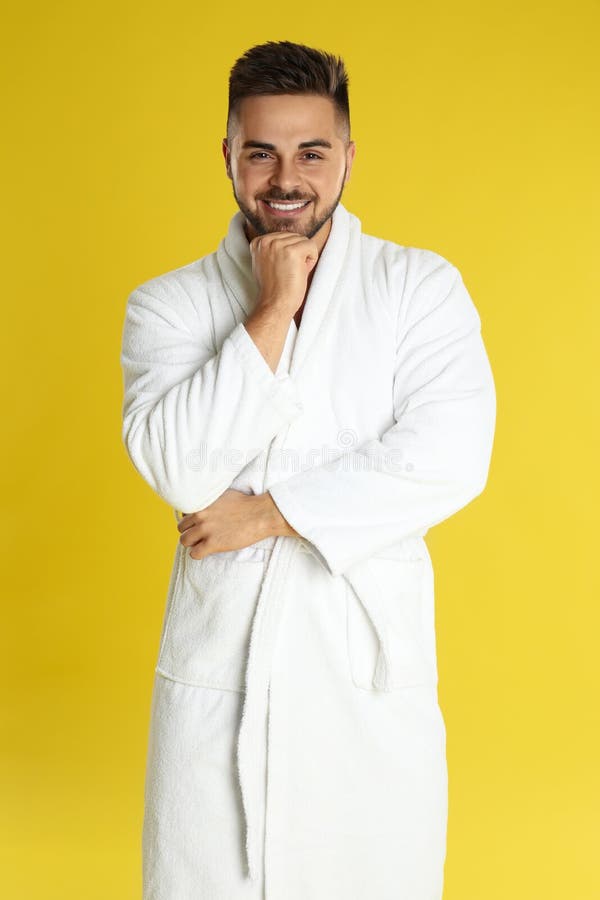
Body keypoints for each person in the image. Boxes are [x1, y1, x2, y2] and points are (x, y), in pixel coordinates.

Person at [120, 39, 496, 900]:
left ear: (348, 158)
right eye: (262, 152)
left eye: (312, 152)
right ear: (229, 158)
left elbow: (449, 458)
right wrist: (272, 309)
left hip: (362, 679)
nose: (286, 178)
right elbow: (180, 470)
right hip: (224, 678)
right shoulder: (169, 304)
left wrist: (268, 513)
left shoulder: (417, 288)